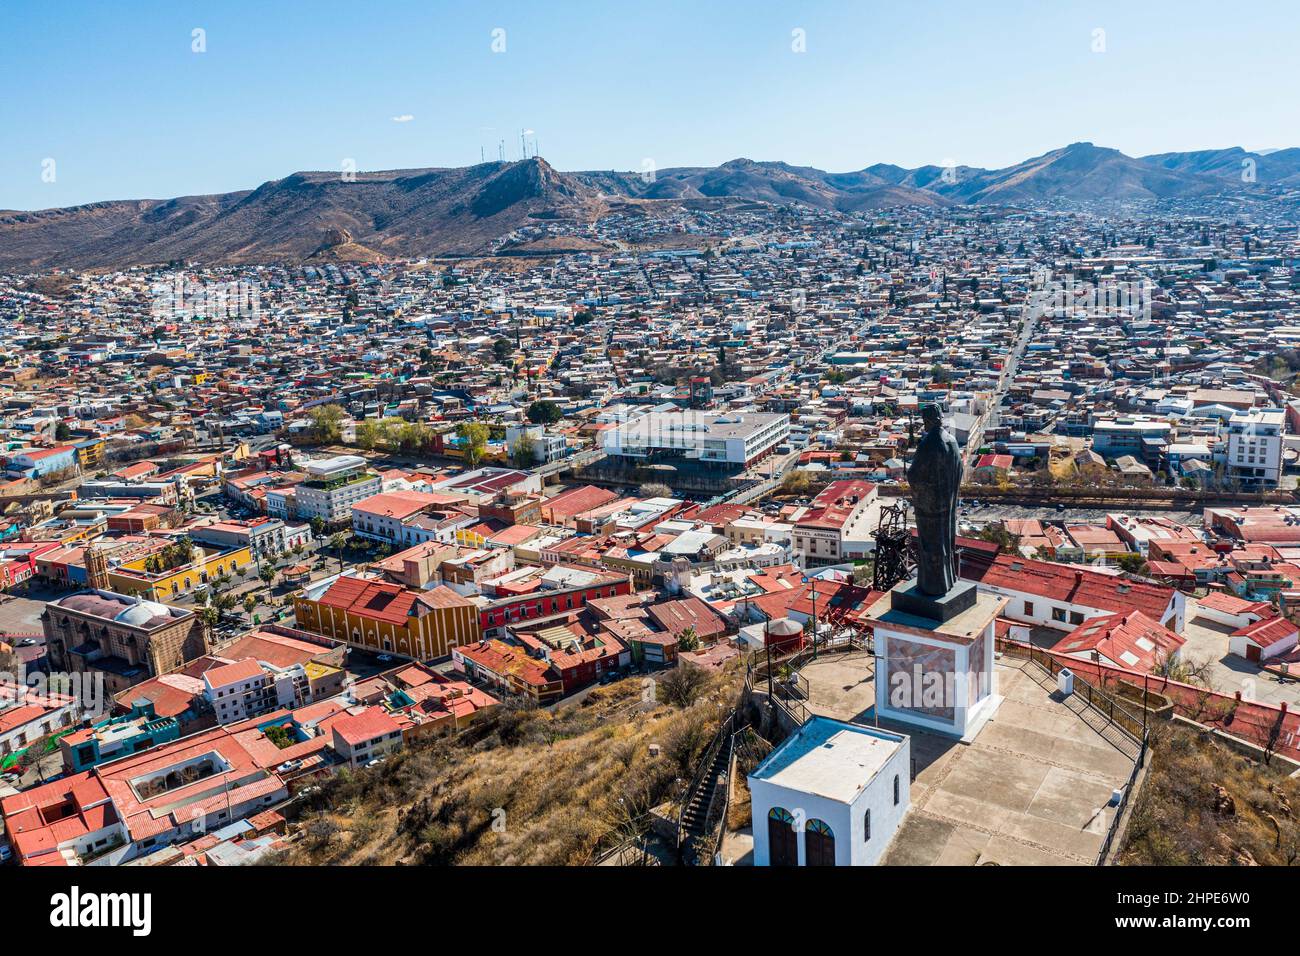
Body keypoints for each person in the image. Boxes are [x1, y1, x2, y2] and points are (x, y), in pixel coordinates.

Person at [907, 404, 963, 596]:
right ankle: (948, 581)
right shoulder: (952, 440)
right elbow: (959, 470)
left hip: (930, 508)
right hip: (947, 505)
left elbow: (914, 474)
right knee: (946, 543)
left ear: (928, 420)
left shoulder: (929, 443)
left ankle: (932, 585)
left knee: (930, 546)